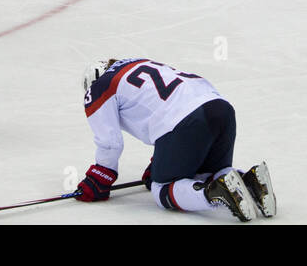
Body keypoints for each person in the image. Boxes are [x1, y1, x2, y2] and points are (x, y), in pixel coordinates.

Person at [75, 58, 275, 221]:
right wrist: (159, 163)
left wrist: (99, 179)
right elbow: (162, 106)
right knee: (207, 173)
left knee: (161, 189)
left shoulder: (99, 87)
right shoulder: (136, 64)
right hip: (220, 108)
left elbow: (110, 142)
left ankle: (214, 193)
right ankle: (251, 182)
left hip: (186, 121)